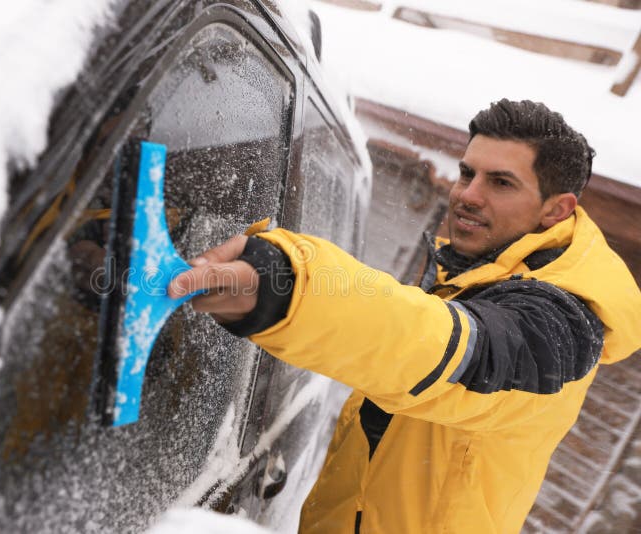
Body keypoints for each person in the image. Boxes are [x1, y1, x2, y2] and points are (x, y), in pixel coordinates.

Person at [168, 99, 641, 534]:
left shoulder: (564, 321)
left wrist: (289, 286)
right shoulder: (468, 272)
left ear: (556, 211)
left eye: (500, 182)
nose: (467, 195)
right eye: (466, 173)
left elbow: (450, 346)